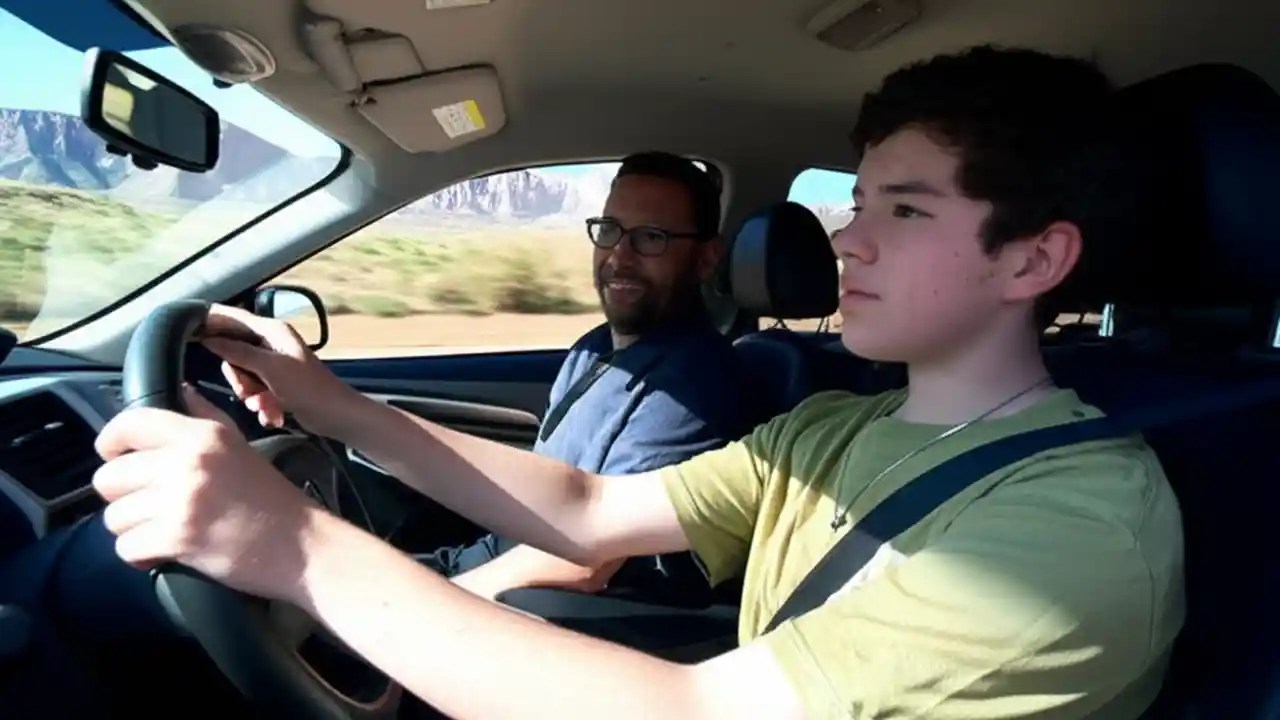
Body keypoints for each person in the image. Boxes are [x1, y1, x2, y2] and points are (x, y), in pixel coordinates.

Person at [92, 45, 1184, 719]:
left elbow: (690, 710)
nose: (847, 241)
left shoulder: (1078, 524)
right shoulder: (831, 433)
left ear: (1032, 261)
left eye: (903, 210)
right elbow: (586, 509)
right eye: (857, 203)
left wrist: (291, 545)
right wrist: (329, 402)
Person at [426, 151, 745, 607]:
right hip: (492, 566)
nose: (619, 256)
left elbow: (586, 563)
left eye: (651, 237)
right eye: (610, 230)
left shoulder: (694, 387)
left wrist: (428, 604)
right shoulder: (593, 349)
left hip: (571, 618)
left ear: (705, 258)